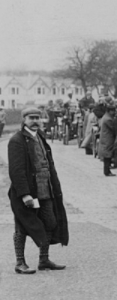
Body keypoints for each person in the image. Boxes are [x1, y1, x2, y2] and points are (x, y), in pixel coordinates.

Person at [8, 107, 69, 273]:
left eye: (38, 118)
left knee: (50, 222)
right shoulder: (17, 140)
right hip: (28, 193)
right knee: (22, 226)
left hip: (45, 191)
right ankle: (20, 263)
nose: (35, 121)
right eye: (31, 118)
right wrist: (25, 194)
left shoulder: (40, 137)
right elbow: (16, 170)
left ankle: (44, 259)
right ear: (24, 120)